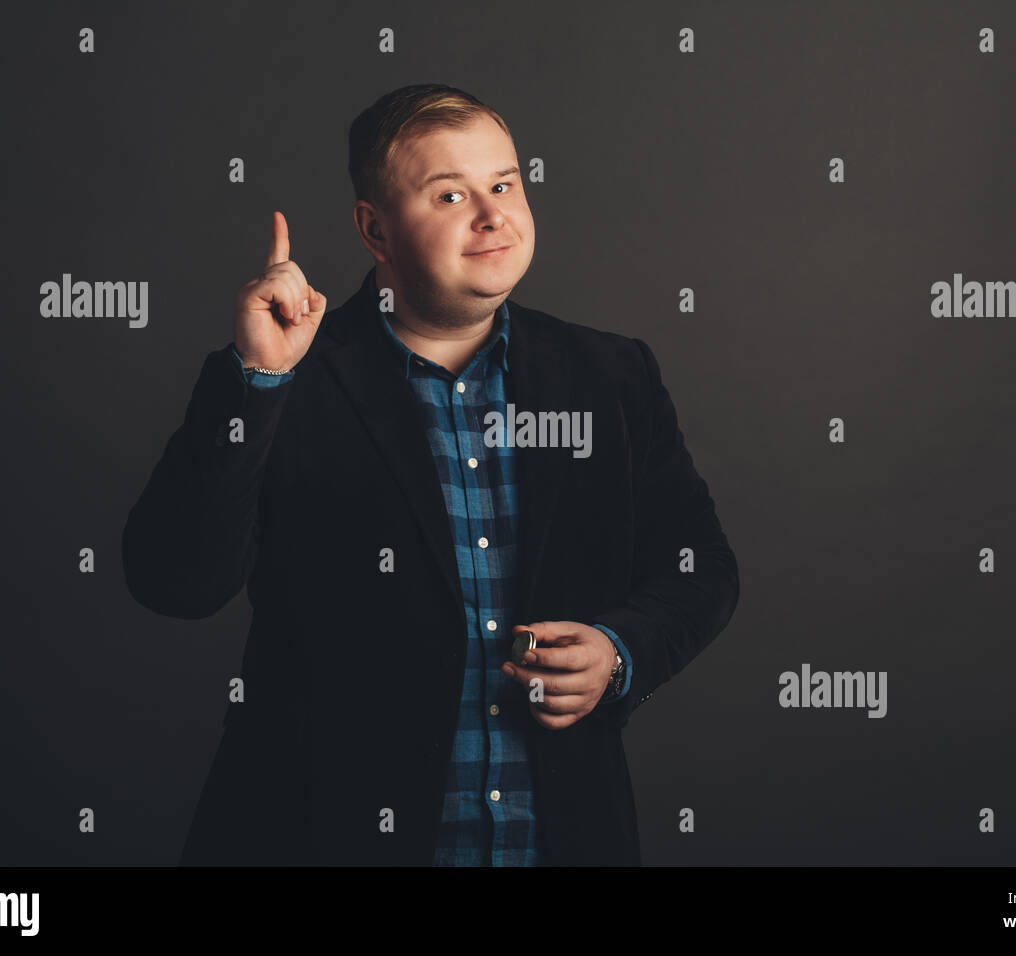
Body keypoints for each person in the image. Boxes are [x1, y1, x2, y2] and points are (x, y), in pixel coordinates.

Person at [122, 83, 739, 866]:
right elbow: (174, 583)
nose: (492, 215)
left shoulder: (610, 375)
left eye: (505, 184)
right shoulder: (285, 373)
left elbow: (702, 567)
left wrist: (619, 653)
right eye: (450, 193)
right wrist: (258, 382)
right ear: (374, 229)